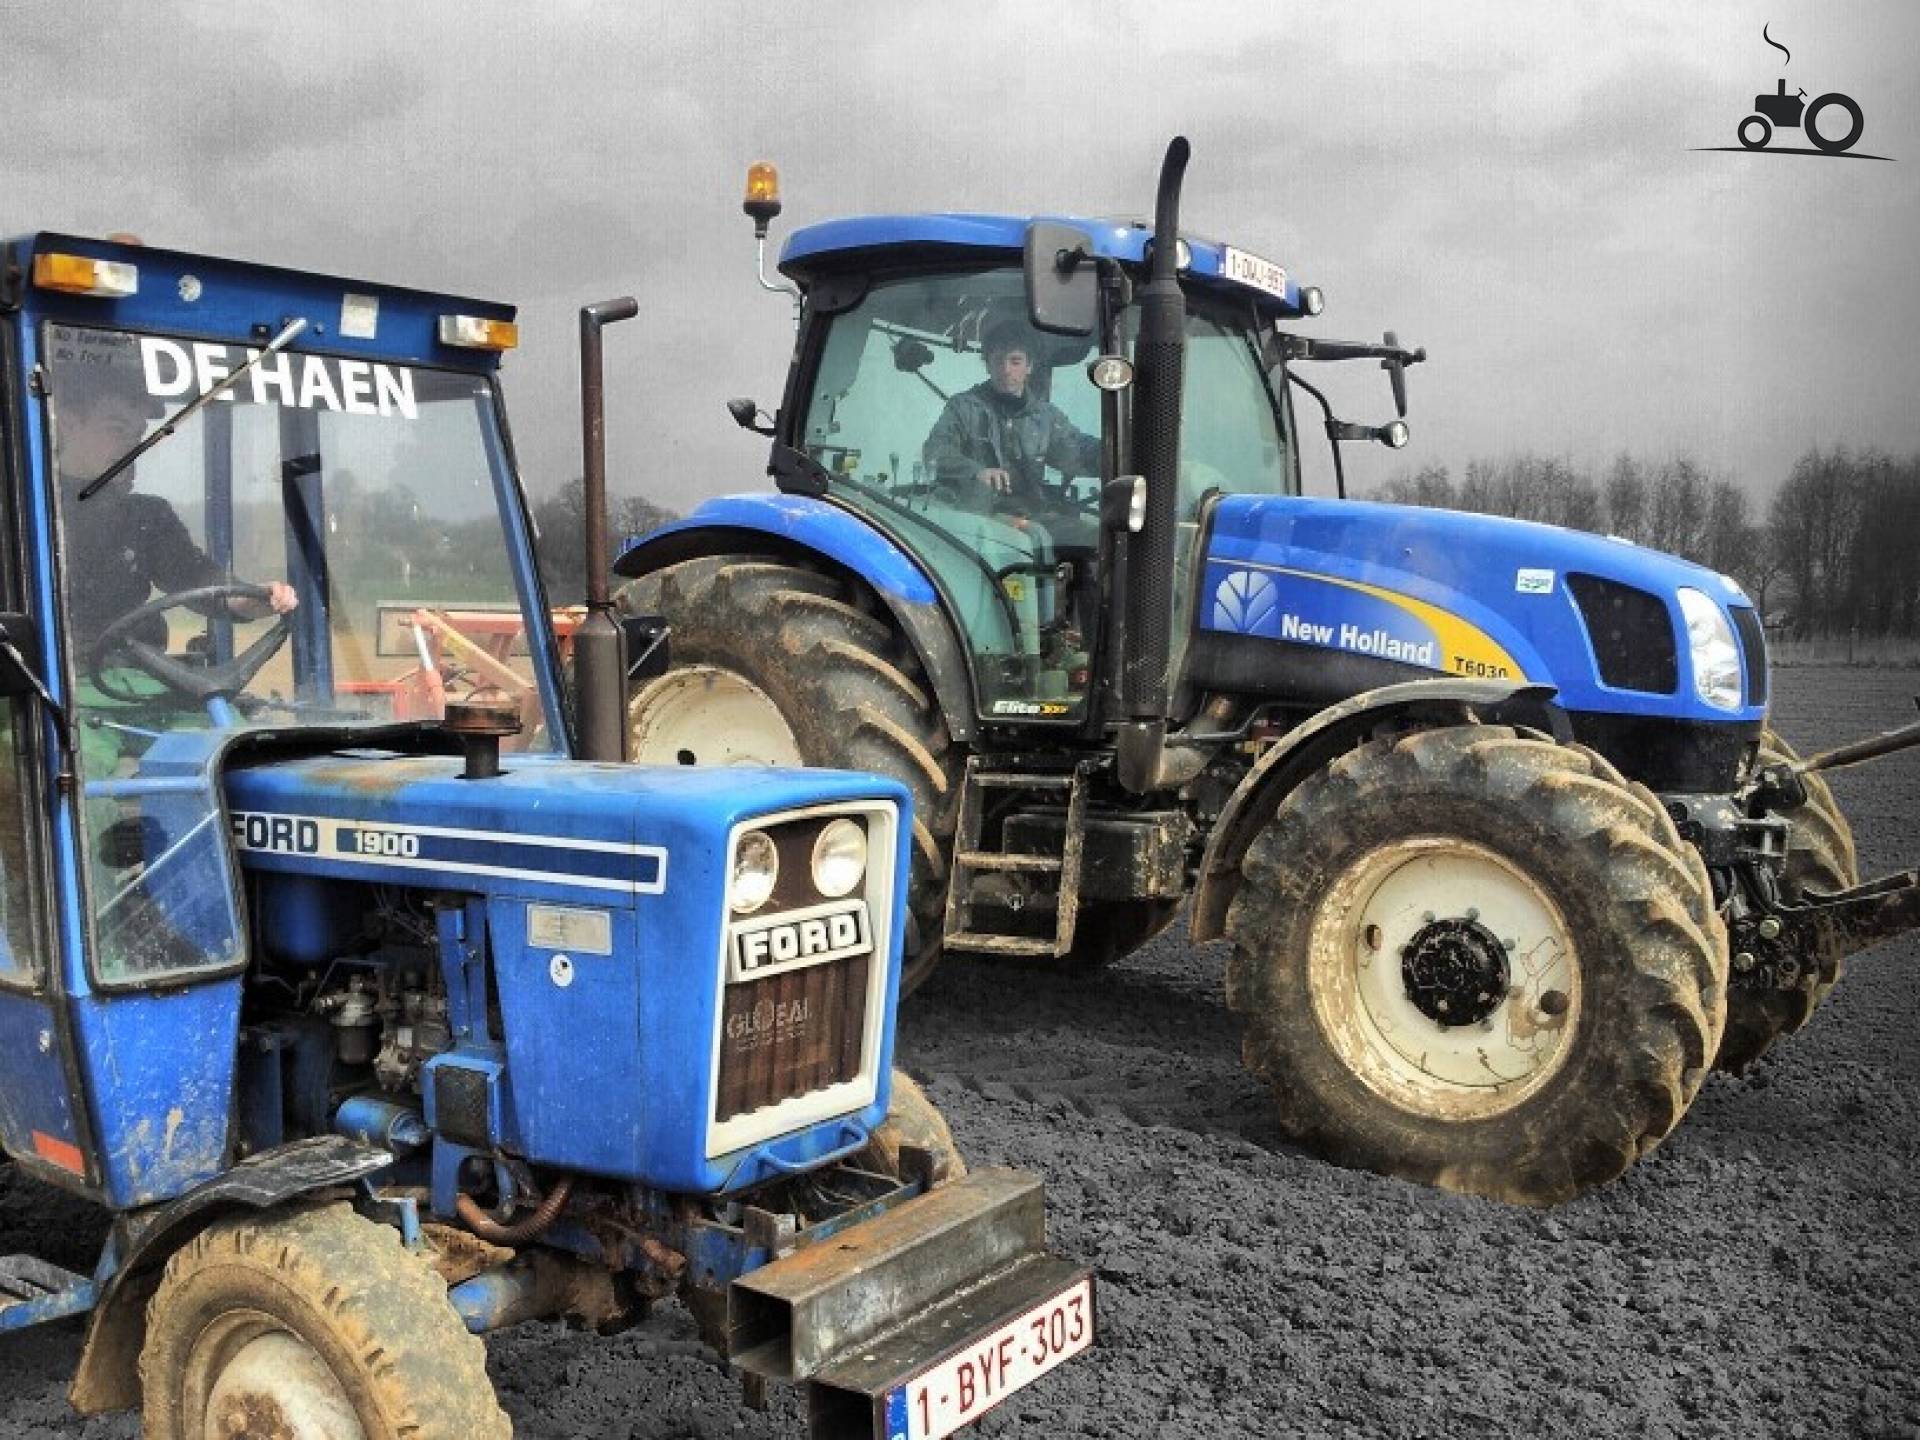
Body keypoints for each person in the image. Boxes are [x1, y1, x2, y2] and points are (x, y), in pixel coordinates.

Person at [56, 351, 298, 659]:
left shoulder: (146, 516)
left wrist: (248, 600)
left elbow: (194, 576)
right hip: (52, 683)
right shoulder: (24, 514)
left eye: (137, 435)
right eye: (117, 430)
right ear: (67, 422)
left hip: (131, 675)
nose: (131, 447)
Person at [921, 318, 1103, 538]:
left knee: (1095, 538)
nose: (1006, 370)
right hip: (975, 516)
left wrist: (1115, 454)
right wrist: (976, 472)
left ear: (1029, 366)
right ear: (987, 364)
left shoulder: (1045, 418)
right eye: (998, 361)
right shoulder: (963, 407)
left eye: (1015, 361)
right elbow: (936, 452)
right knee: (1036, 538)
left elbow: (1076, 452)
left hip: (1029, 514)